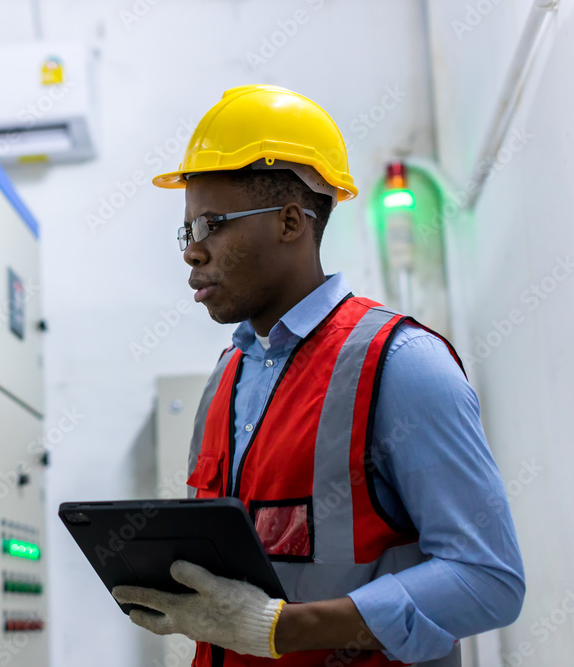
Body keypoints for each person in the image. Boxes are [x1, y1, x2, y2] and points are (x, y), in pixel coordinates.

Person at [111, 86, 525, 666]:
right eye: (188, 231)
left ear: (288, 222)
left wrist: (282, 629)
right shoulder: (228, 374)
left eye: (212, 224)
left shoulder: (402, 363)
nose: (192, 252)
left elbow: (488, 580)